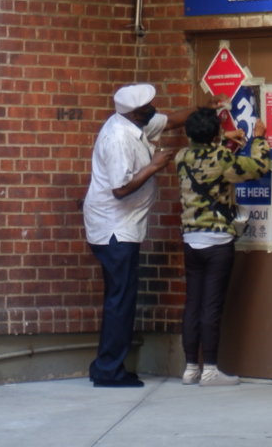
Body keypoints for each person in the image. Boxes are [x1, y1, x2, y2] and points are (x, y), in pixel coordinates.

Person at [82, 83, 191, 387]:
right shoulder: (118, 137)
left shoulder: (132, 122)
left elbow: (172, 121)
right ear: (134, 112)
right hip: (115, 229)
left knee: (119, 298)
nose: (153, 108)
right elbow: (120, 189)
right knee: (121, 301)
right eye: (148, 105)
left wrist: (208, 106)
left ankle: (105, 366)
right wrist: (155, 166)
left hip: (121, 226)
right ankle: (109, 371)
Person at [174, 106, 271, 386]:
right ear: (215, 132)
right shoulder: (221, 157)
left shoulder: (182, 157)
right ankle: (211, 370)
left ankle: (191, 367)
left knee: (192, 304)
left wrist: (224, 139)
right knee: (212, 306)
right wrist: (259, 139)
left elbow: (207, 160)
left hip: (191, 240)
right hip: (217, 241)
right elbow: (257, 167)